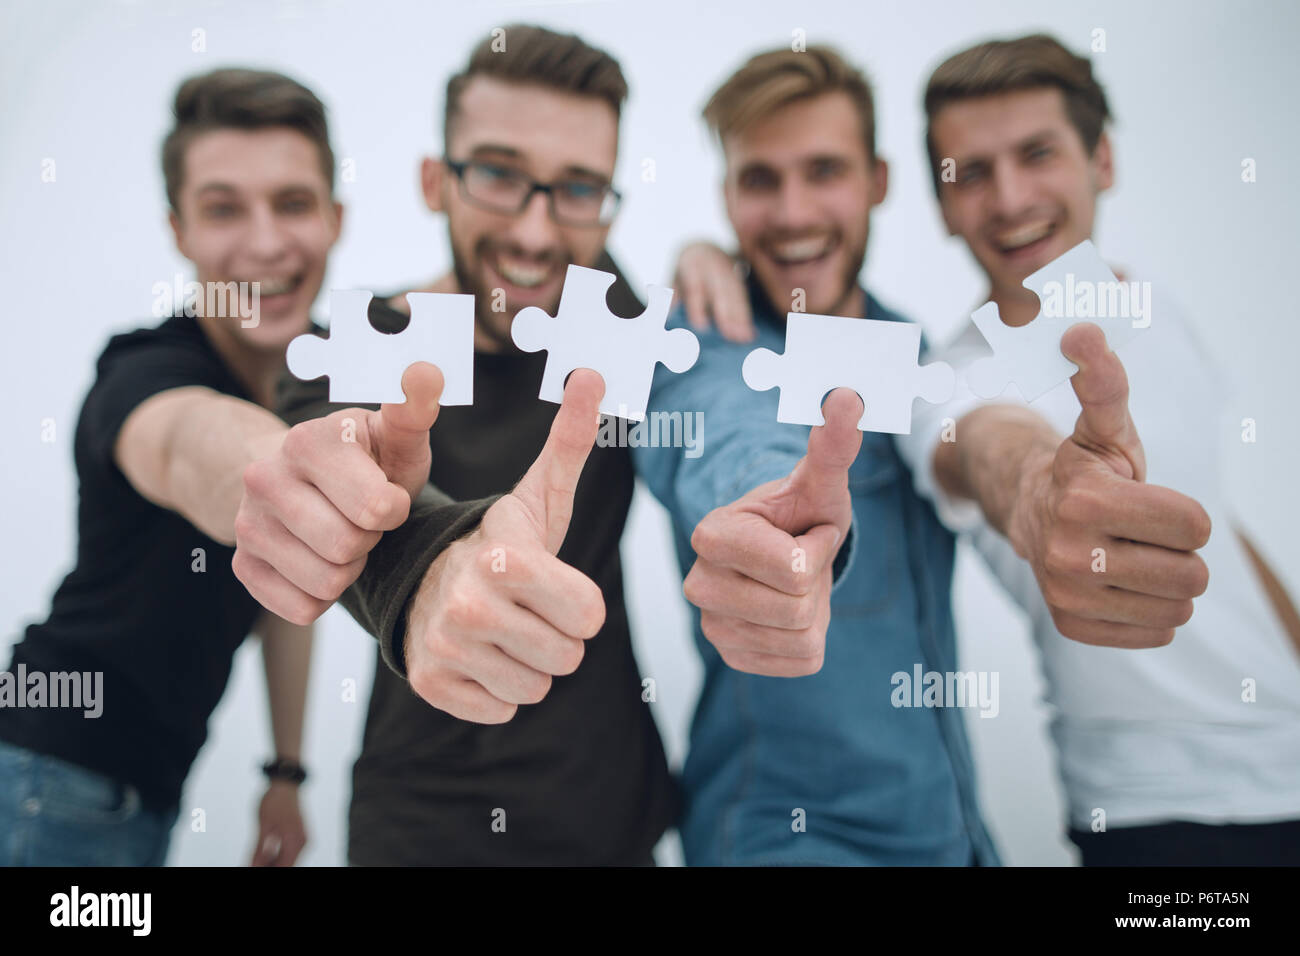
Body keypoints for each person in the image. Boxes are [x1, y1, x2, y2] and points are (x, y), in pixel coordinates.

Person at [232, 24, 680, 866]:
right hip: (419, 823)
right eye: (500, 175)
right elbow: (341, 497)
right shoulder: (354, 351)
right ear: (436, 180)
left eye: (579, 188)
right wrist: (439, 558)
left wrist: (703, 256)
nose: (538, 233)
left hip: (610, 816)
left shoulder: (620, 330)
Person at [895, 33, 1300, 865]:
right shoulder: (941, 382)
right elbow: (989, 451)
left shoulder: (1154, 307)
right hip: (1161, 816)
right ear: (941, 204)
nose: (1008, 198)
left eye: (1036, 153)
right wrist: (1043, 487)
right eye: (971, 172)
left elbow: (1217, 519)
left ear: (1102, 159)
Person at [634, 45, 999, 865]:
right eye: (761, 179)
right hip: (786, 840)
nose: (793, 212)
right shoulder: (695, 349)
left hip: (956, 835)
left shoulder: (909, 349)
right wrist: (771, 516)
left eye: (823, 171)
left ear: (877, 180)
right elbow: (719, 434)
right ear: (728, 196)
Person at [0, 68, 336, 866]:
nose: (264, 241)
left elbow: (283, 588)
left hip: (134, 794)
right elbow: (194, 445)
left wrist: (286, 769)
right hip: (45, 775)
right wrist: (283, 472)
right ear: (178, 230)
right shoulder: (143, 370)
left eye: (292, 202)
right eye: (223, 209)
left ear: (335, 216)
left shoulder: (320, 377)